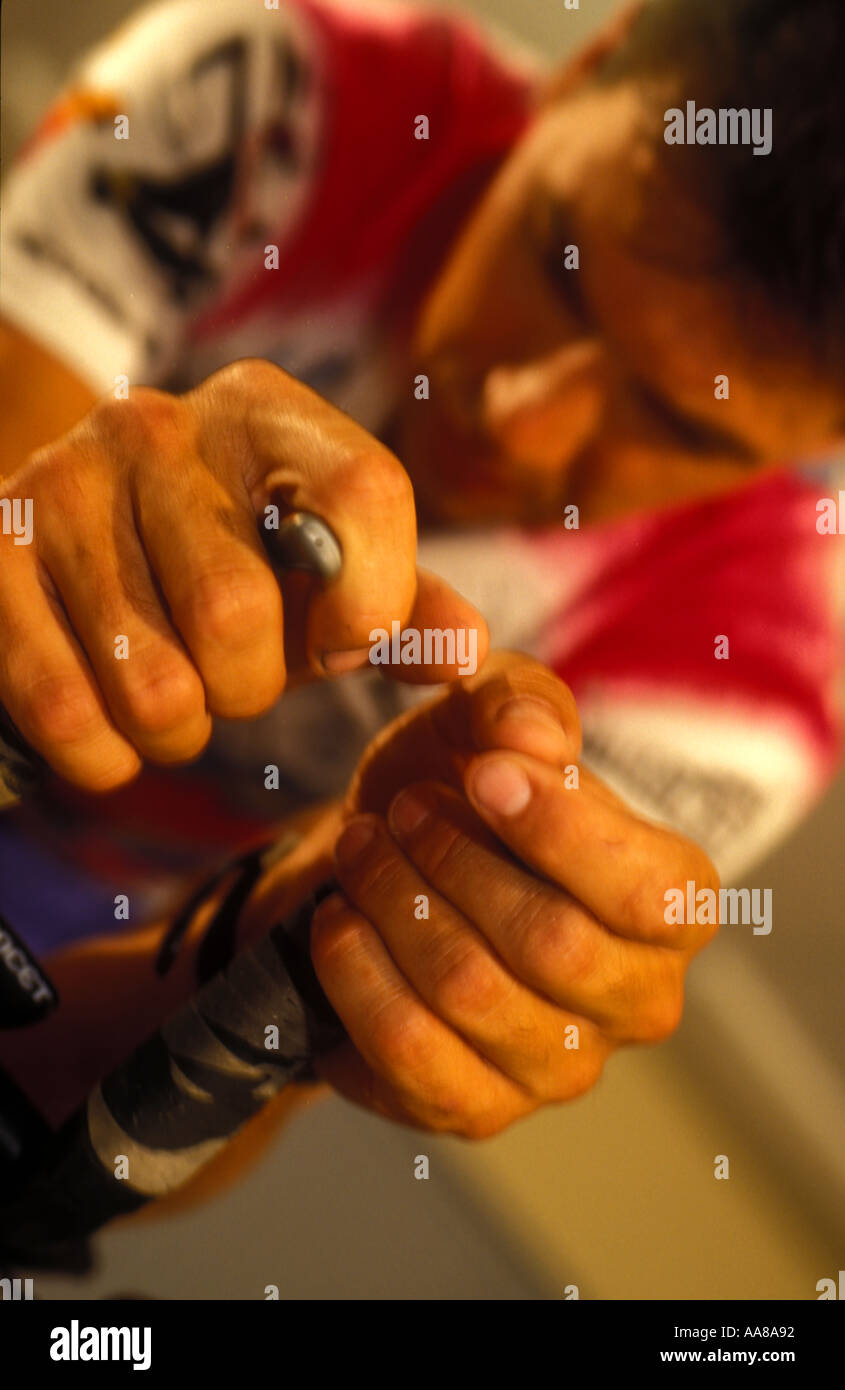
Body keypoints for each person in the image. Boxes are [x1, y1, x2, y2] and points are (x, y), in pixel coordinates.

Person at [0, 0, 841, 1222]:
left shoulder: (749, 685)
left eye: (679, 426)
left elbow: (61, 1140)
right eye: (559, 263)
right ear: (584, 70)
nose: (514, 417)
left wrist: (304, 942)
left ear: (822, 440)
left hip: (131, 902)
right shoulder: (285, 76)